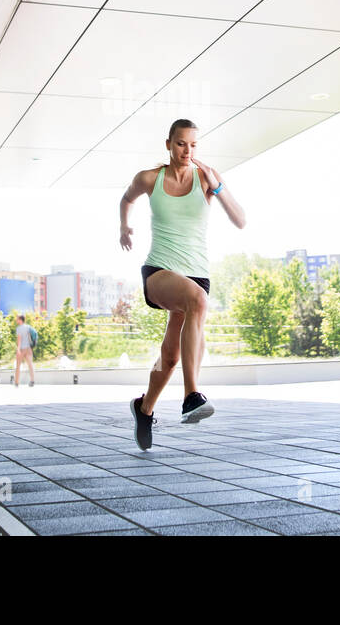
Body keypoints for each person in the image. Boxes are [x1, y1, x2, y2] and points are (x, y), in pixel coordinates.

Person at [120, 119, 246, 450]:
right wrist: (124, 227)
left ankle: (144, 408)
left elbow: (240, 219)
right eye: (180, 144)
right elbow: (126, 199)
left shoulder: (206, 177)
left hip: (196, 274)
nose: (187, 151)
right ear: (168, 144)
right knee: (198, 301)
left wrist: (217, 187)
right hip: (160, 270)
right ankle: (192, 395)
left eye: (193, 145)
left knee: (171, 357)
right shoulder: (150, 178)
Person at [14, 313, 36, 387]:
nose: (16, 320)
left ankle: (16, 382)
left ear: (20, 320)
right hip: (29, 348)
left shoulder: (19, 328)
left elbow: (19, 340)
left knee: (18, 366)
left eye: (17, 319)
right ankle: (32, 380)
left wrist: (18, 350)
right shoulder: (28, 327)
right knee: (30, 365)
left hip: (22, 349)